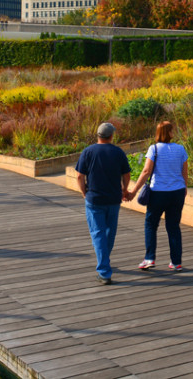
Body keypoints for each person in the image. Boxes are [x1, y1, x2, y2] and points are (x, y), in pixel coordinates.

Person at [126, 120, 190, 272]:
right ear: (169, 133)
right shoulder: (181, 149)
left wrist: (133, 191)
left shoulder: (153, 149)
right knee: (173, 226)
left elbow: (146, 171)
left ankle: (149, 258)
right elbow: (184, 171)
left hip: (158, 193)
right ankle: (176, 262)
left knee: (151, 225)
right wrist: (184, 187)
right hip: (177, 193)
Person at [75, 122, 131, 285]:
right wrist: (124, 189)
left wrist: (84, 192)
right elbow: (126, 174)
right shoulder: (118, 152)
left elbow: (79, 176)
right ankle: (105, 261)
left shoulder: (88, 152)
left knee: (98, 233)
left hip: (94, 199)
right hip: (113, 199)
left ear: (98, 135)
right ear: (111, 135)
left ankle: (104, 271)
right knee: (109, 233)